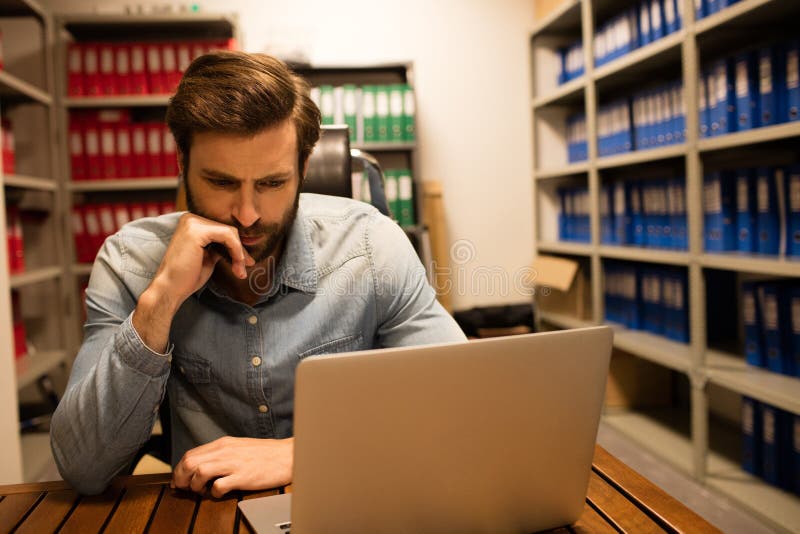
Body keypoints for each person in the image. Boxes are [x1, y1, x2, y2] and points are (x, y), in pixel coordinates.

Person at [50, 51, 466, 496]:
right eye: (221, 182)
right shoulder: (130, 262)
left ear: (303, 168)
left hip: (349, 498)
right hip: (203, 512)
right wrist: (162, 299)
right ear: (182, 164)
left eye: (272, 183)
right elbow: (83, 467)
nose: (247, 215)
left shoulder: (371, 247)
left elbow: (464, 409)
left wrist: (301, 454)